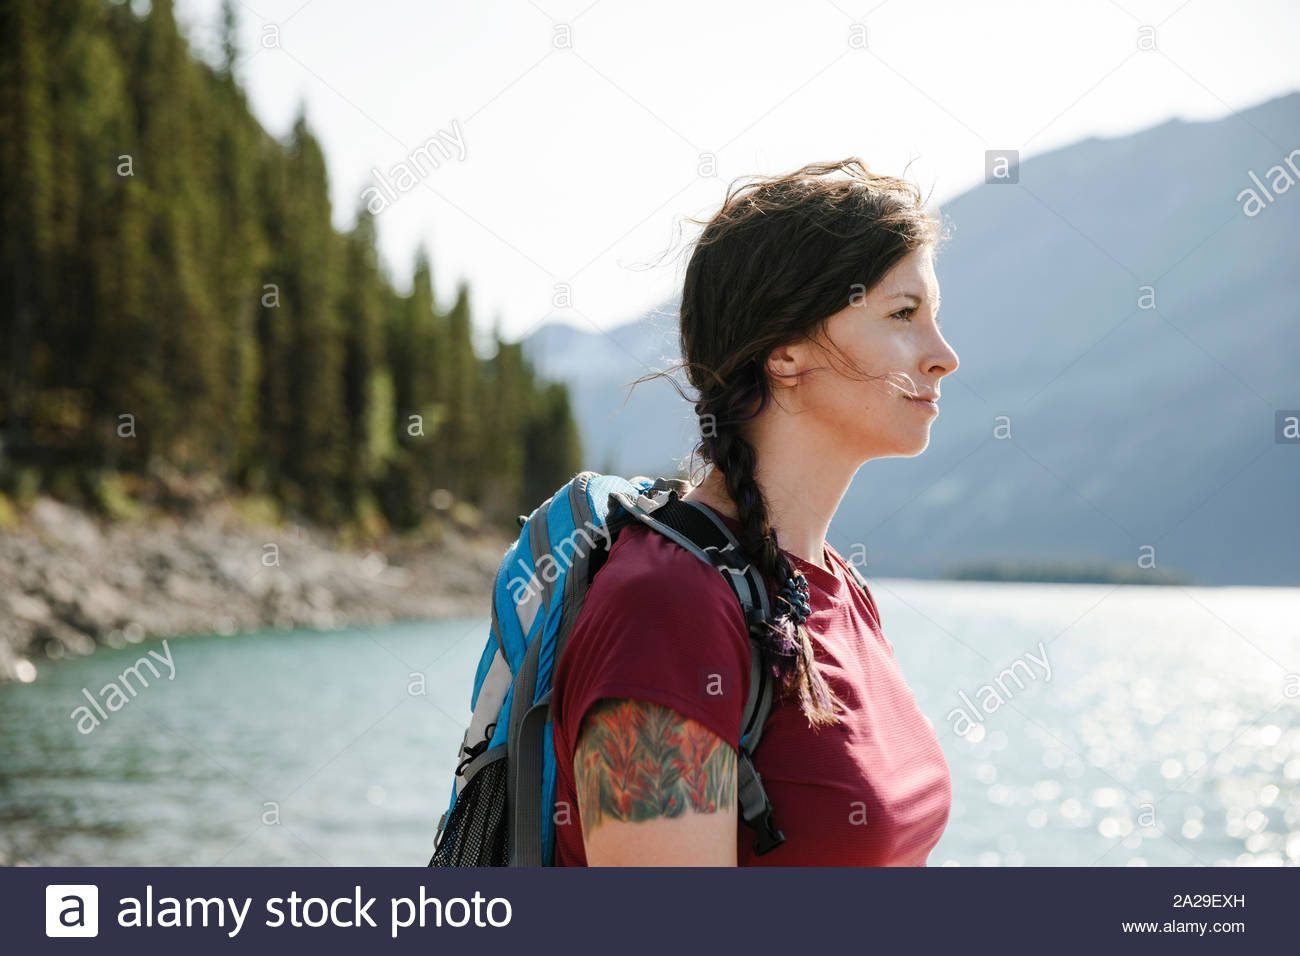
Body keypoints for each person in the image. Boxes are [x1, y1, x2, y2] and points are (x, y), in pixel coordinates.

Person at [550, 158, 960, 866]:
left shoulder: (837, 589)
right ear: (787, 354)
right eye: (903, 315)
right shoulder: (665, 607)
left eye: (935, 318)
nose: (944, 356)